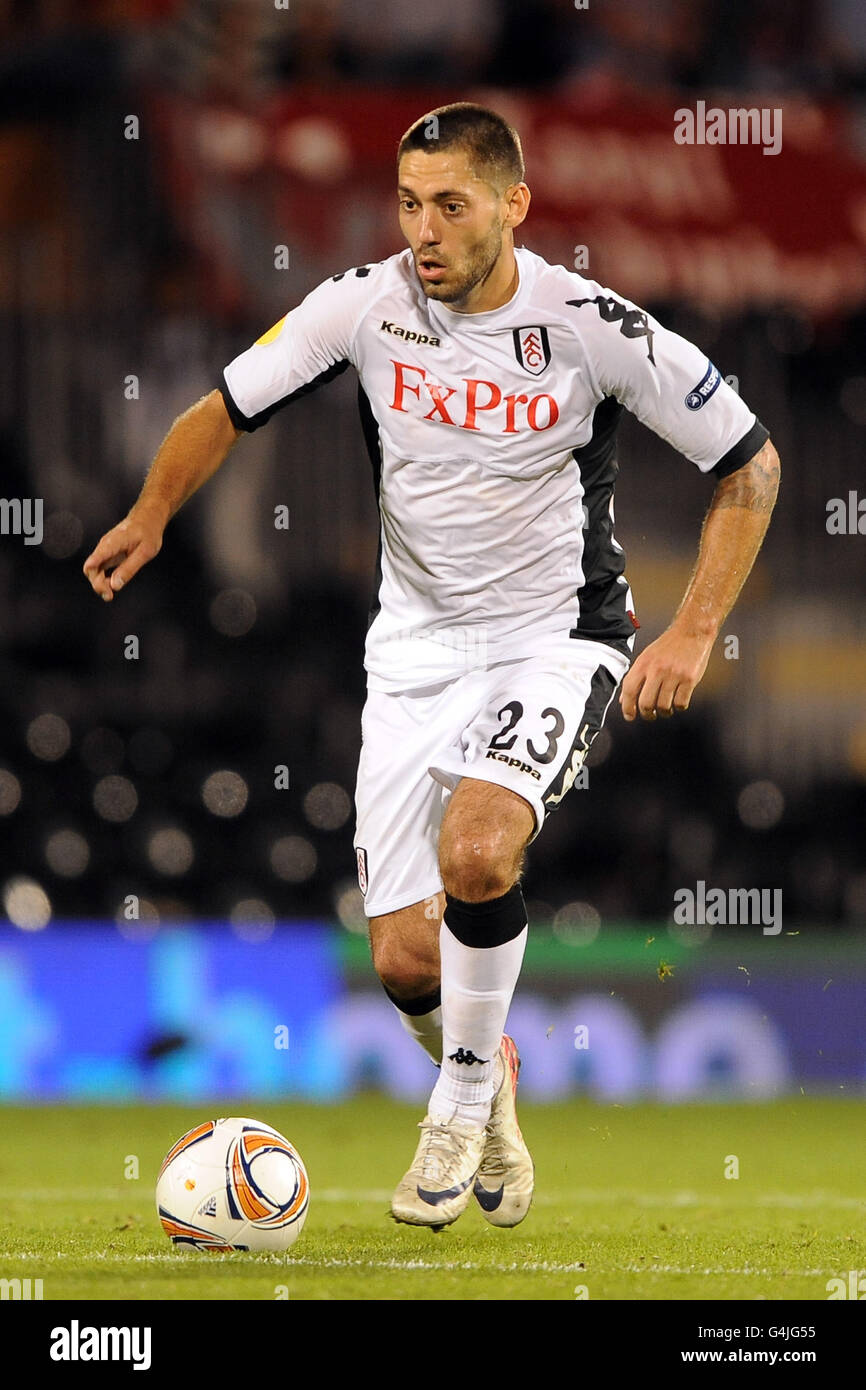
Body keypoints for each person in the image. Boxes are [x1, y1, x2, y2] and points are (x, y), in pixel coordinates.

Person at [83, 101, 780, 1231]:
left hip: (554, 638)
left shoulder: (590, 324)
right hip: (411, 652)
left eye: (450, 204)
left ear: (514, 204)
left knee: (479, 848)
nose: (424, 229)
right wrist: (155, 510)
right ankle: (483, 1071)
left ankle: (454, 1105)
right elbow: (223, 404)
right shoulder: (363, 306)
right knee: (407, 959)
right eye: (408, 203)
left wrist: (694, 627)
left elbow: (748, 464)